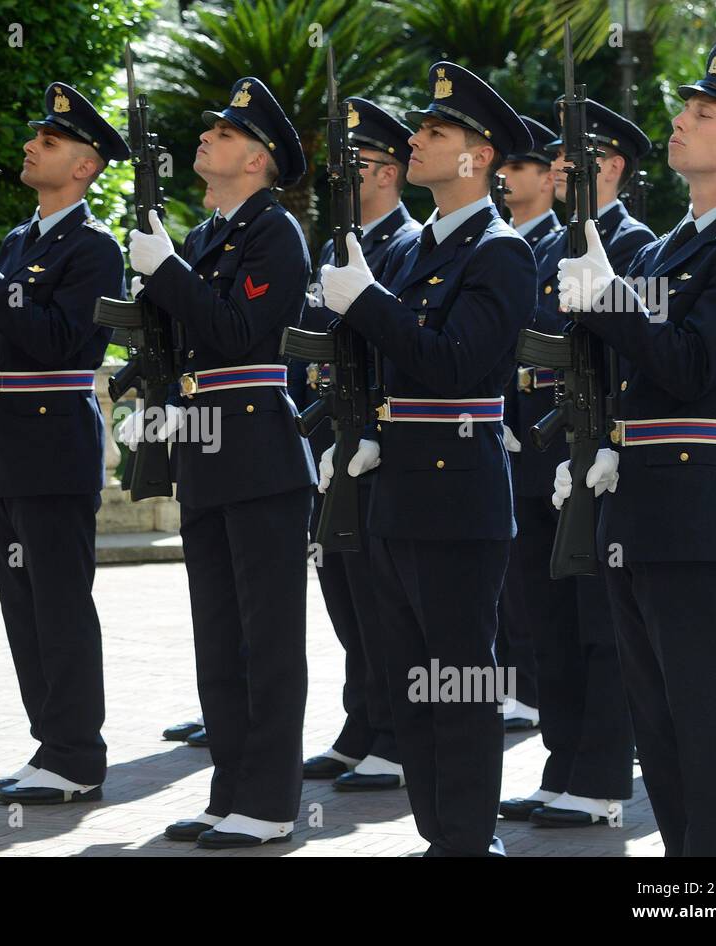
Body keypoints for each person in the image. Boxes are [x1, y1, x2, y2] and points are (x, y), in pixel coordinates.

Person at [553, 40, 716, 855]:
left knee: (707, 716)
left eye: (706, 114)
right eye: (686, 108)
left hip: (698, 509)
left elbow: (693, 366)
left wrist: (610, 301)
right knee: (655, 722)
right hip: (637, 500)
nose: (682, 122)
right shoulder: (663, 249)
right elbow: (629, 363)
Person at [320, 61, 536, 856]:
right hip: (398, 487)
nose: (418, 141)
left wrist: (365, 302)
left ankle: (470, 841)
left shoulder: (502, 252)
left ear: (478, 157)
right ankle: (438, 833)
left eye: (437, 133)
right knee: (407, 681)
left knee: (460, 681)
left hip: (459, 490)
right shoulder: (413, 252)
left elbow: (452, 362)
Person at [122, 76, 316, 847]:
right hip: (205, 444)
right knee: (217, 633)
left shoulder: (275, 233)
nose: (206, 138)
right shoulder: (208, 236)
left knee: (266, 639)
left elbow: (237, 333)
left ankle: (268, 803)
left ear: (258, 158)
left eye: (225, 134)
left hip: (260, 451)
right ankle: (228, 789)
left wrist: (164, 272)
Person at [0, 83, 128, 804]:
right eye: (35, 136)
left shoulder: (96, 250)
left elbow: (65, 341)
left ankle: (78, 754)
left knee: (61, 604)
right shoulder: (15, 241)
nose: (32, 146)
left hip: (56, 444)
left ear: (84, 167)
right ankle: (50, 746)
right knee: (23, 605)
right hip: (9, 442)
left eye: (50, 142)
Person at [500, 99, 655, 828]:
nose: (562, 169)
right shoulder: (542, 246)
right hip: (534, 453)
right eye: (559, 158)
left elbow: (636, 353)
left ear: (614, 167)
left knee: (598, 624)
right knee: (547, 621)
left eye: (578, 160)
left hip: (592, 457)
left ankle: (598, 781)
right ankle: (561, 766)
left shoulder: (632, 244)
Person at [298, 98, 420, 792]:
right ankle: (361, 723)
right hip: (328, 436)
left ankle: (395, 737)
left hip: (374, 442)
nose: (341, 180)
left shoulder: (405, 245)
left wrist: (367, 432)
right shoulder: (332, 247)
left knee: (380, 601)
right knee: (344, 594)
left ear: (387, 173)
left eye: (356, 167)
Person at [495, 115, 560, 732]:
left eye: (518, 167)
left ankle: (534, 689)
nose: (505, 177)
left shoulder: (556, 244)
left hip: (545, 431)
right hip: (507, 430)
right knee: (512, 576)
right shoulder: (505, 239)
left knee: (539, 577)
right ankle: (518, 683)